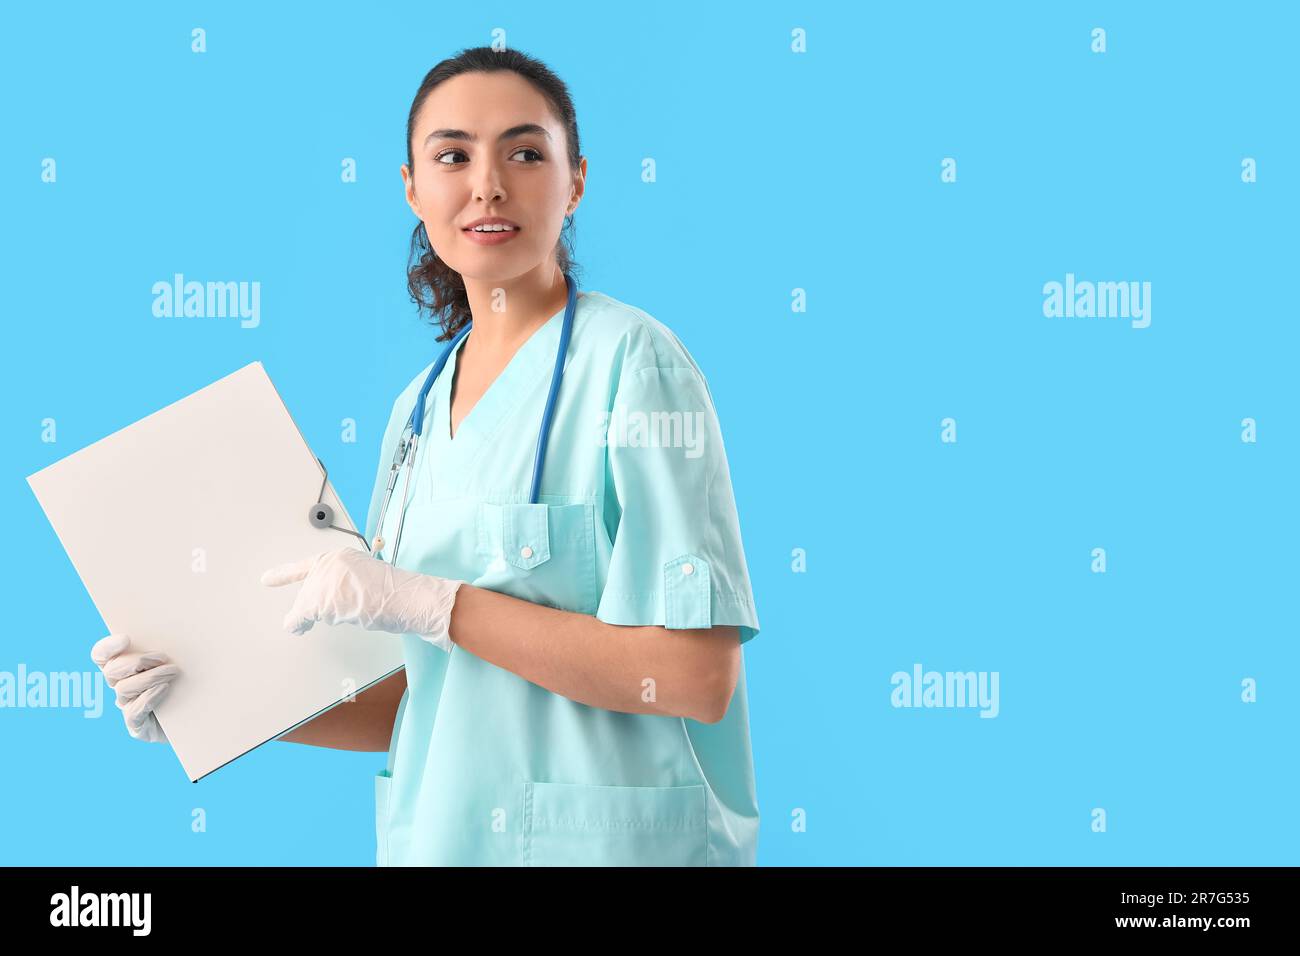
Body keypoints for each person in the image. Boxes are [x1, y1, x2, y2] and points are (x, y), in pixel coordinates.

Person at [91, 46, 762, 867]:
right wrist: (206, 706)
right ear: (412, 186)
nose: (487, 184)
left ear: (576, 180)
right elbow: (421, 701)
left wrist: (436, 603)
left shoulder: (634, 367)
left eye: (524, 152)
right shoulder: (415, 412)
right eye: (453, 156)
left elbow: (695, 677)